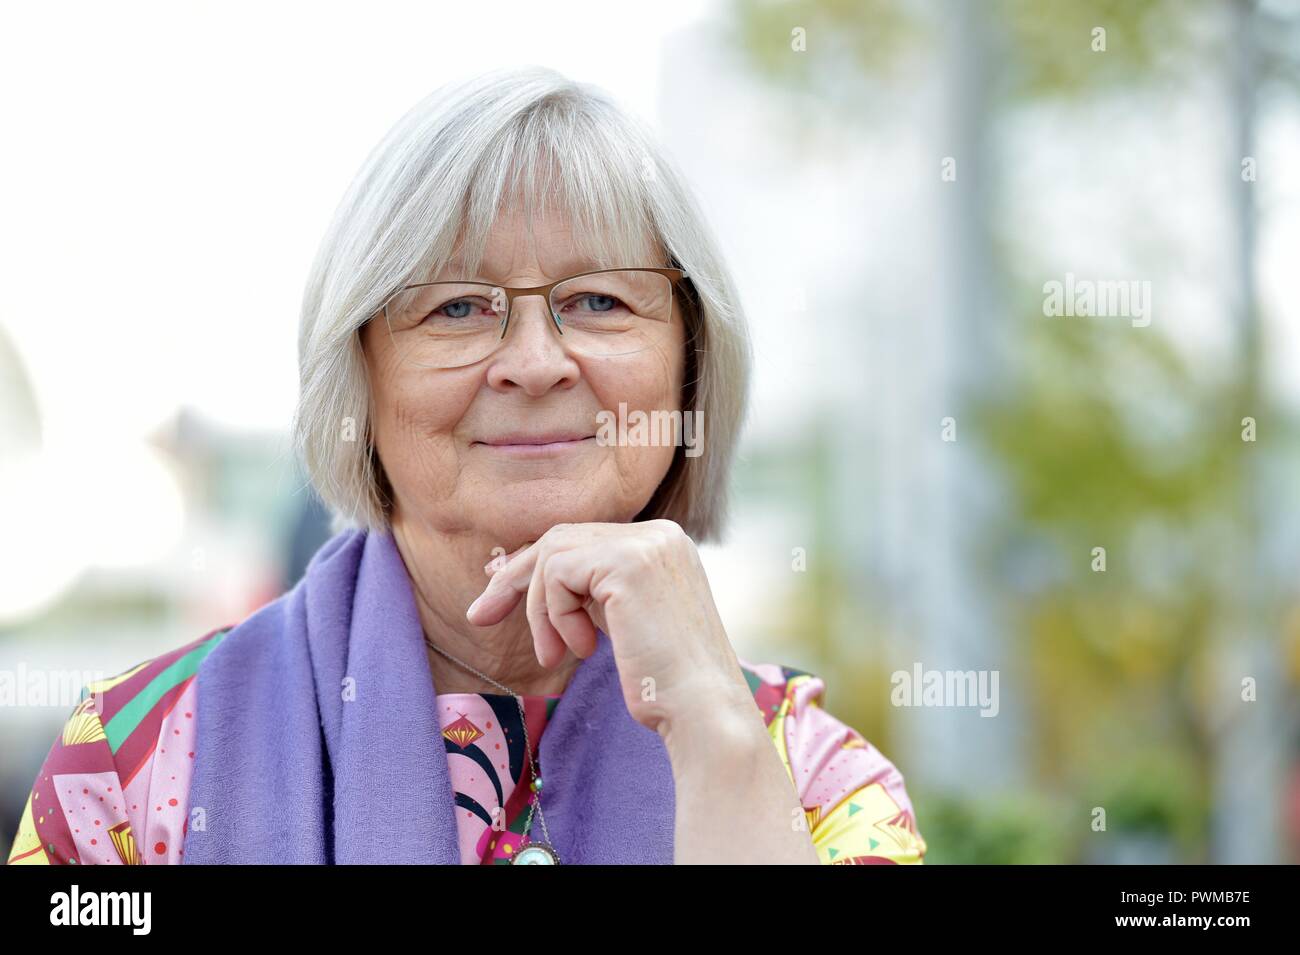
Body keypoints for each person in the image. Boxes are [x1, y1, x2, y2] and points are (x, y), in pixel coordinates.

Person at [7, 65, 926, 866]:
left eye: (600, 299)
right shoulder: (129, 766)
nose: (535, 361)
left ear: (690, 365)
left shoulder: (815, 781)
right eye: (456, 308)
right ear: (357, 375)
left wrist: (718, 738)